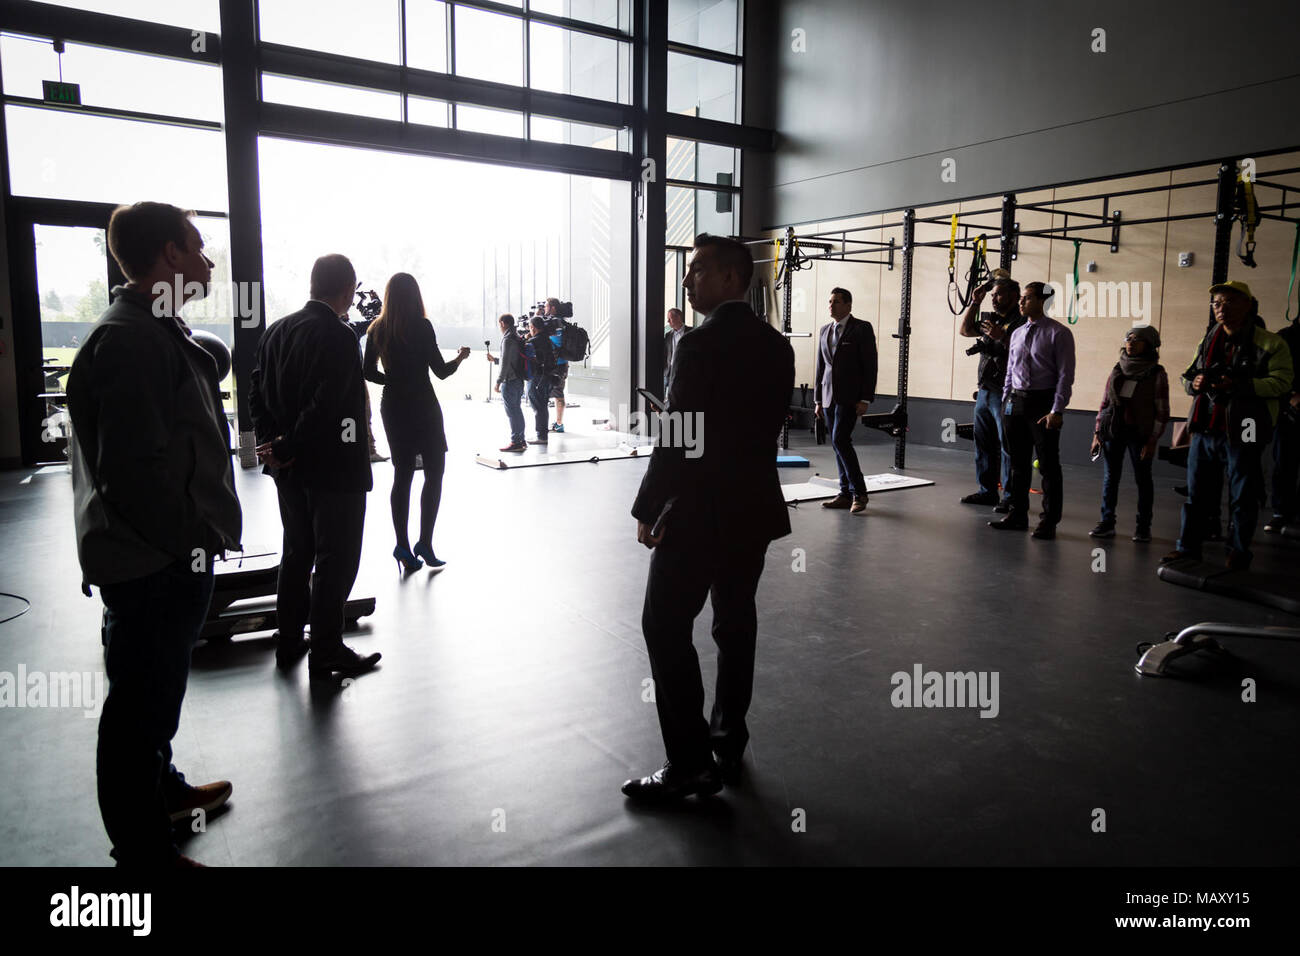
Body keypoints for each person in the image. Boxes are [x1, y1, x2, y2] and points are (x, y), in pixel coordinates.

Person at [67, 201, 242, 867]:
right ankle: (143, 852)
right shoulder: (133, 340)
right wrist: (191, 541)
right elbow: (134, 475)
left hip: (163, 559)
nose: (207, 259)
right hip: (151, 564)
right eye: (196, 246)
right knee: (138, 710)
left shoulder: (155, 330)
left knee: (155, 694)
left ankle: (162, 793)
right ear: (167, 254)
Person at [624, 233, 795, 803]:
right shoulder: (777, 346)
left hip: (698, 510)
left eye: (697, 270)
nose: (688, 279)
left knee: (664, 626)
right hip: (752, 507)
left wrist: (649, 508)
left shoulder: (695, 344)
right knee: (734, 623)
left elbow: (678, 438)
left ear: (729, 278)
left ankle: (690, 764)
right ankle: (727, 738)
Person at [249, 254, 381, 679]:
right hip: (333, 468)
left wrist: (272, 443)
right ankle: (326, 649)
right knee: (335, 558)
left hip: (288, 470)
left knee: (297, 553)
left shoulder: (277, 330)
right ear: (347, 290)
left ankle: (290, 641)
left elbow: (255, 392)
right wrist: (289, 442)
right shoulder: (340, 335)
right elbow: (327, 404)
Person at [1164, 281, 1294, 570]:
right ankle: (1187, 548)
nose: (1221, 308)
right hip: (1204, 427)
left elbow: (1283, 383)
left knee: (1242, 495)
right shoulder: (1207, 340)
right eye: (1217, 303)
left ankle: (1238, 551)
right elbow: (1187, 376)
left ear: (1247, 305)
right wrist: (1194, 383)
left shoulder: (1272, 343)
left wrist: (1240, 385)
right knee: (1196, 493)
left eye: (1229, 302)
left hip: (1244, 429)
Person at [363, 273, 469, 572]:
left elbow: (367, 372)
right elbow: (441, 372)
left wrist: (393, 380)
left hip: (394, 405)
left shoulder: (377, 328)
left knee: (402, 475)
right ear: (415, 296)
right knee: (434, 473)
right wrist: (459, 359)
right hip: (423, 404)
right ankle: (425, 542)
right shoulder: (422, 326)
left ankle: (402, 545)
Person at [992, 281, 1076, 539]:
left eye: (1026, 298)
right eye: (1022, 298)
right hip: (1015, 402)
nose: (1021, 302)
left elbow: (1065, 375)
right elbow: (1010, 370)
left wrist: (1057, 410)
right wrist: (1006, 399)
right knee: (1018, 463)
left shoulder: (1059, 333)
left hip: (1043, 402)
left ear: (1042, 301)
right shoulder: (1017, 333)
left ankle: (1048, 521)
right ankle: (1017, 515)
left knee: (1048, 465)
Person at [1088, 325, 1170, 542]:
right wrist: (1098, 432)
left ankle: (1143, 527)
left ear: (1150, 345)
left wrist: (1153, 440)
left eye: (1138, 339)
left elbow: (1162, 411)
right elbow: (1105, 403)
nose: (1131, 343)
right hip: (1114, 430)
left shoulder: (1156, 373)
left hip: (1141, 434)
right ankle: (1107, 523)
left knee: (1143, 479)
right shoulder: (1118, 368)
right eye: (1128, 338)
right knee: (1110, 478)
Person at [957, 272, 1023, 509]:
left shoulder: (1021, 322)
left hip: (1007, 391)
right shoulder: (991, 319)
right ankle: (987, 491)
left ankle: (1010, 497)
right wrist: (975, 302)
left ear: (1014, 296)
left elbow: (1025, 355)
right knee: (983, 443)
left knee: (1008, 446)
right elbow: (965, 331)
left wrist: (1002, 337)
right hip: (984, 390)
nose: (994, 299)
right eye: (992, 295)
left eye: (999, 294)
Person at [814, 287, 878, 514]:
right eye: (830, 301)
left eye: (836, 302)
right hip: (828, 396)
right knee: (836, 442)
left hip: (850, 397)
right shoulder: (824, 330)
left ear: (848, 305)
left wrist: (865, 398)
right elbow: (821, 368)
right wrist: (818, 400)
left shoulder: (861, 328)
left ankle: (859, 493)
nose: (831, 305)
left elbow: (870, 366)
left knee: (841, 440)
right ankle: (844, 493)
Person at [1264, 314, 1300, 533]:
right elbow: (1272, 371)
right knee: (1284, 462)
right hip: (1288, 409)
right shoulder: (1285, 337)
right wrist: (1291, 396)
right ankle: (1280, 512)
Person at [486, 313, 527, 452]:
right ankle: (521, 440)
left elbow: (505, 364)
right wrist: (495, 360)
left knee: (512, 412)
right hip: (519, 380)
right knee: (517, 410)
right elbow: (512, 359)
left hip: (510, 381)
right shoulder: (516, 337)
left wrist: (498, 381)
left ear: (503, 323)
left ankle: (516, 442)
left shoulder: (507, 339)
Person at [525, 314, 557, 445]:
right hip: (547, 377)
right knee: (543, 406)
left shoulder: (533, 342)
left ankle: (541, 436)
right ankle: (543, 435)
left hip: (536, 378)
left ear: (532, 327)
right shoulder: (548, 340)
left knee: (538, 407)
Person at [544, 297, 569, 434]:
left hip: (556, 364)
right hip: (562, 363)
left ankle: (559, 424)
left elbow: (554, 341)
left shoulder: (554, 324)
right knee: (558, 394)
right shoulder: (562, 322)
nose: (545, 309)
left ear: (553, 307)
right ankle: (559, 423)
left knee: (557, 394)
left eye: (547, 306)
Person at [664, 307, 687, 393]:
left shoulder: (691, 332)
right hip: (669, 372)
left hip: (684, 372)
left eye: (670, 318)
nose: (668, 321)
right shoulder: (668, 335)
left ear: (678, 318)